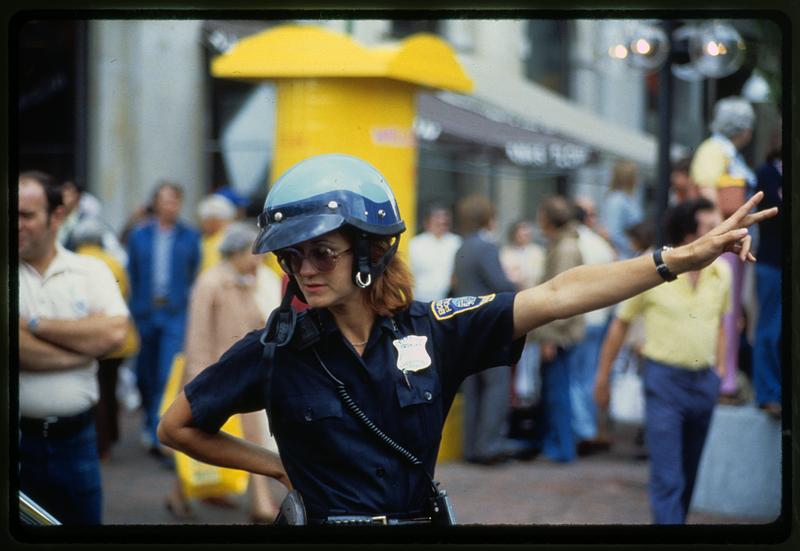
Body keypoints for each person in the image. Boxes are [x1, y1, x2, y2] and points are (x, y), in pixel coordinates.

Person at [158, 153, 774, 525]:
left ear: (370, 251)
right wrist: (278, 468)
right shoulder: (274, 349)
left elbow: (559, 294)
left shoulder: (433, 327)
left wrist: (677, 258)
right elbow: (177, 427)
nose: (306, 270)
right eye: (292, 258)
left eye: (323, 251)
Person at [594, 197, 732, 524]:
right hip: (663, 381)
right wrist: (602, 378)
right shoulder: (654, 268)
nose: (720, 232)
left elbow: (726, 323)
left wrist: (721, 370)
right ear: (689, 235)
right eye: (711, 227)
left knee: (689, 470)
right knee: (668, 475)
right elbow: (619, 326)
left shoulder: (722, 272)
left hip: (703, 381)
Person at [18, 170, 129, 524]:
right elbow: (16, 349)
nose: (15, 224)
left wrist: (36, 325)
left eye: (26, 215)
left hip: (77, 440)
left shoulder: (91, 271)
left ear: (57, 216)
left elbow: (115, 334)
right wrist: (83, 349)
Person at [165, 222, 282, 521]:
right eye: (253, 253)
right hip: (215, 373)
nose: (258, 259)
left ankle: (260, 501)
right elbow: (198, 335)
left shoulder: (244, 280)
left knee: (249, 436)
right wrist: (198, 377)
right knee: (202, 436)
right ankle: (182, 494)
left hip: (239, 373)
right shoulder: (210, 282)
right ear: (239, 251)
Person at [126, 181, 201, 458]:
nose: (170, 205)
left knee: (166, 372)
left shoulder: (190, 236)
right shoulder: (140, 235)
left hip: (174, 313)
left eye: (175, 200)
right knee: (144, 372)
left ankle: (160, 433)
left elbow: (194, 271)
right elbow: (132, 271)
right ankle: (148, 422)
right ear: (156, 203)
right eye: (165, 200)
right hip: (145, 312)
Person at [690, 96, 756, 400]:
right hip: (723, 242)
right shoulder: (713, 151)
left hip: (731, 239)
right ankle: (723, 376)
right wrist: (723, 234)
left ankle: (725, 373)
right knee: (724, 308)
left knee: (730, 308)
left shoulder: (723, 152)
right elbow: (707, 196)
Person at [453, 195, 525, 465]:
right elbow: (500, 283)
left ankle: (471, 446)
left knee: (473, 389)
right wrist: (516, 282)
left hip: (465, 324)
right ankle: (489, 446)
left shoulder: (461, 246)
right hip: (488, 324)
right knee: (496, 386)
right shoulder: (486, 247)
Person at [71, 217, 141, 461]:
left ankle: (100, 445)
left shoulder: (73, 263)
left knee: (96, 390)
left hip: (88, 335)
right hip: (119, 336)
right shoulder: (113, 262)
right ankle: (111, 436)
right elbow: (125, 291)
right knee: (110, 388)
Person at [529, 195, 585, 463]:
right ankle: (557, 445)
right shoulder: (563, 244)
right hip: (561, 333)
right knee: (556, 389)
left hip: (559, 335)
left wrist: (549, 337)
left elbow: (561, 297)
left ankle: (560, 448)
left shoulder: (564, 248)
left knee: (557, 391)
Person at [570, 197, 616, 455]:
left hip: (579, 318)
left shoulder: (575, 242)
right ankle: (588, 428)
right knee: (588, 376)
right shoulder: (600, 244)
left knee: (576, 378)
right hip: (599, 317)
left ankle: (583, 430)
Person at [752, 128, 782, 419]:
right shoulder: (766, 173)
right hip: (772, 262)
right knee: (770, 330)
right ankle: (768, 393)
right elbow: (774, 212)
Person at [500, 220, 545, 407]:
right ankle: (516, 397)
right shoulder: (505, 253)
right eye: (521, 231)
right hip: (513, 306)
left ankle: (528, 394)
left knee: (531, 356)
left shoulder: (537, 253)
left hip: (533, 305)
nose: (524, 235)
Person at [57, 178, 128, 266]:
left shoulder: (88, 222)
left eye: (68, 194)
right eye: (62, 194)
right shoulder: (55, 221)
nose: (64, 199)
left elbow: (116, 252)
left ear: (78, 197)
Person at [408, 204, 461, 303]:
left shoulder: (456, 242)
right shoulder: (415, 244)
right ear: (427, 223)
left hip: (449, 300)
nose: (441, 224)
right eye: (437, 221)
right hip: (421, 299)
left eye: (444, 223)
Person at [600, 160, 644, 260]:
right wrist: (632, 247)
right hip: (623, 256)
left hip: (632, 254)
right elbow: (614, 232)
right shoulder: (617, 200)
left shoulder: (629, 199)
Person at [197, 193, 237, 273]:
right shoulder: (206, 239)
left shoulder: (223, 241)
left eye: (204, 219)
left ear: (214, 221)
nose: (201, 224)